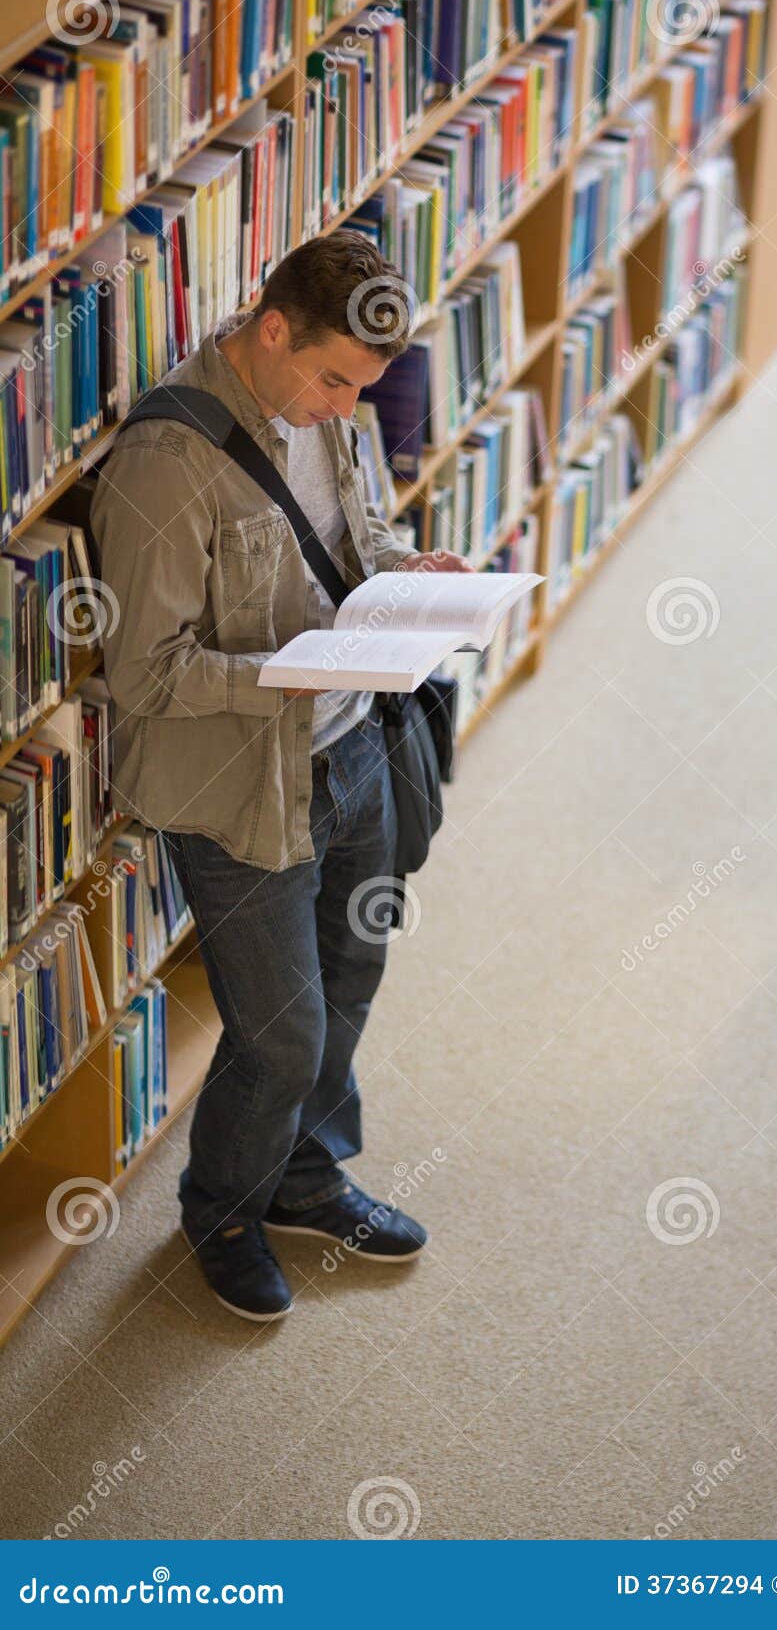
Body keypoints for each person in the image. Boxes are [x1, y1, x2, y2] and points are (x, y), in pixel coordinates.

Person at [90, 233, 473, 1322]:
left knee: (353, 972)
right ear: (272, 331)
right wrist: (295, 676)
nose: (347, 407)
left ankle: (305, 1177)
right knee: (281, 1030)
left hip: (356, 742)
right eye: (333, 379)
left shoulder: (328, 417)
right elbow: (147, 674)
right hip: (243, 788)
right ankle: (220, 1210)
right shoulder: (167, 465)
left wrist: (407, 574)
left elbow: (355, 542)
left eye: (364, 387)